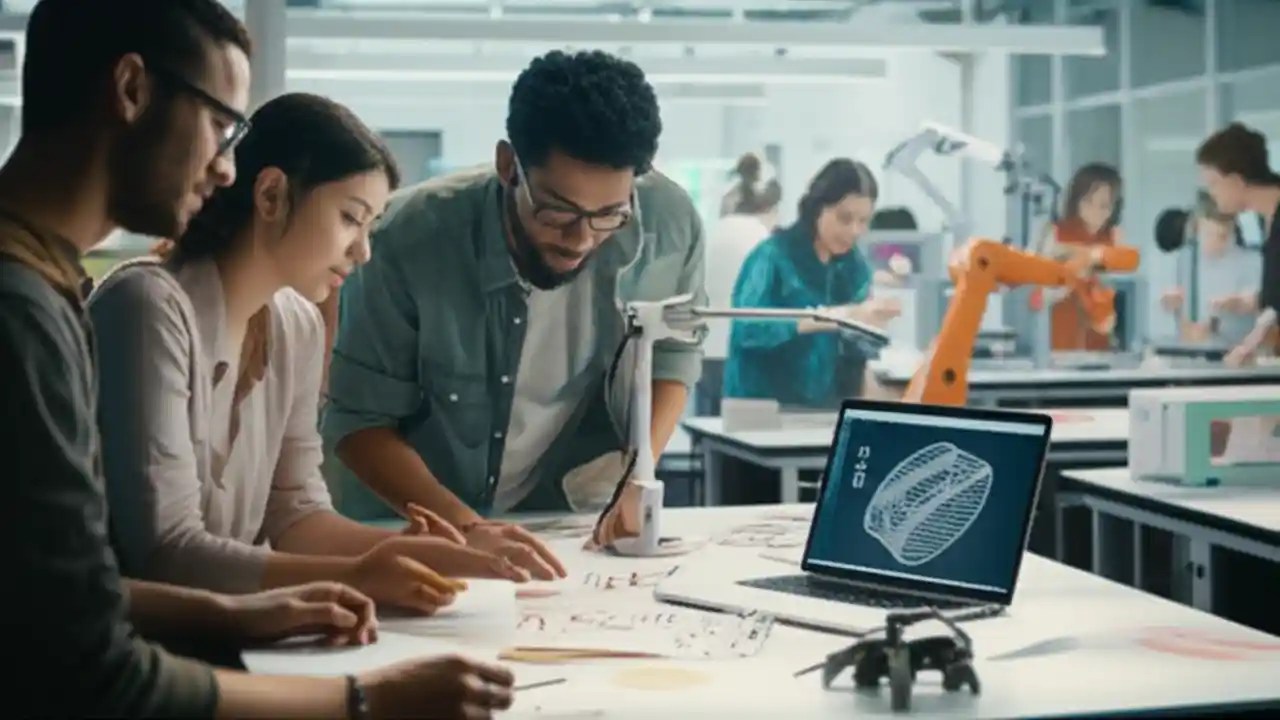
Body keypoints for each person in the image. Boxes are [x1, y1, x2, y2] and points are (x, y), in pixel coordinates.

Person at [0, 1, 513, 717]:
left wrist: (249, 611)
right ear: (131, 89)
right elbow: (94, 657)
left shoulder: (48, 291)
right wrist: (362, 699)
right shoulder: (36, 308)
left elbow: (63, 596)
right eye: (220, 126)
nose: (225, 168)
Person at [90, 93, 531, 618]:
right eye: (350, 218)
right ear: (271, 195)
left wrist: (426, 550)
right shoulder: (146, 306)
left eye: (370, 227)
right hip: (129, 638)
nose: (363, 252)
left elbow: (296, 513)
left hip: (233, 632)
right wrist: (356, 575)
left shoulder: (296, 323)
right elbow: (165, 552)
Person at [322, 49, 706, 558]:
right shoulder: (405, 240)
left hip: (555, 518)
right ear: (508, 165)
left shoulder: (668, 223)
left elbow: (674, 359)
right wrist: (467, 529)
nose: (581, 238)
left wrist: (639, 474)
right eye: (556, 211)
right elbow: (359, 422)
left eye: (609, 215)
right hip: (405, 527)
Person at [722, 158, 901, 408]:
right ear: (817, 208)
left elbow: (855, 356)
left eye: (863, 221)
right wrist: (835, 317)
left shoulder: (853, 268)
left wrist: (870, 326)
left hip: (824, 410)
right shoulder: (772, 257)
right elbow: (748, 329)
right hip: (760, 408)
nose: (854, 231)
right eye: (844, 218)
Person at [699, 152, 782, 415]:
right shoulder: (763, 240)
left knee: (708, 429)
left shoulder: (714, 231)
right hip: (743, 356)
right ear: (770, 208)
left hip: (705, 352)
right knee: (744, 433)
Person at [1196, 122, 1280, 366]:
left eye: (1213, 184)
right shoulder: (1268, 220)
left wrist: (1250, 343)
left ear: (1235, 181)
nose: (1212, 194)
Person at [1032, 162, 1125, 351]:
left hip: (1099, 342)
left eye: (1105, 206)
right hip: (1059, 338)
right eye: (1088, 202)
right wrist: (1071, 275)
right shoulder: (1055, 233)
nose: (1096, 212)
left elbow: (1119, 291)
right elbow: (1035, 297)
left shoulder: (1115, 237)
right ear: (1076, 201)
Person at [1158, 191, 1260, 348]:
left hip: (1237, 350)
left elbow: (1258, 305)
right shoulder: (1185, 260)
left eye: (1222, 236)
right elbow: (1170, 306)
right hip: (1192, 349)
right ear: (1197, 228)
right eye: (1207, 234)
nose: (1214, 243)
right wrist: (1169, 301)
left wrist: (1237, 304)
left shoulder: (1251, 262)